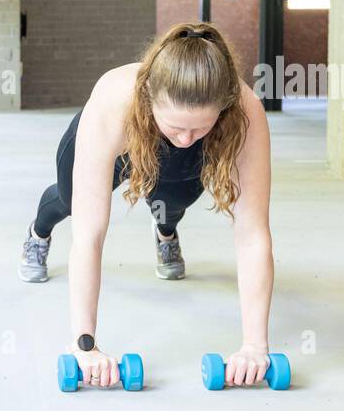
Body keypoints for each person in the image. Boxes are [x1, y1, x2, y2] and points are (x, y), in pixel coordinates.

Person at [18, 22, 274, 388]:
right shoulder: (114, 102)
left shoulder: (245, 112)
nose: (186, 138)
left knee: (174, 202)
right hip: (122, 138)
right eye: (177, 126)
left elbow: (252, 237)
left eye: (199, 128)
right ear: (149, 97)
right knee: (70, 203)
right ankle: (38, 232)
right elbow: (90, 237)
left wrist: (255, 346)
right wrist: (84, 346)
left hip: (175, 144)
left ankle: (165, 230)